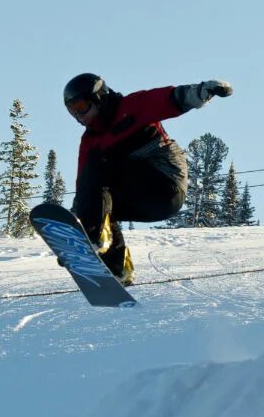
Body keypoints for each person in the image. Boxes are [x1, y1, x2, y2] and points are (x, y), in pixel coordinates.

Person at [62, 72, 233, 285]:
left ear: (98, 97)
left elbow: (169, 99)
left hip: (164, 180)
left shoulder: (131, 106)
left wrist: (201, 91)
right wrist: (78, 219)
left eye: (80, 107)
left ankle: (95, 236)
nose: (78, 116)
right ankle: (117, 269)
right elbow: (86, 186)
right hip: (146, 200)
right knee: (101, 205)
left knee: (99, 166)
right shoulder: (89, 140)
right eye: (71, 112)